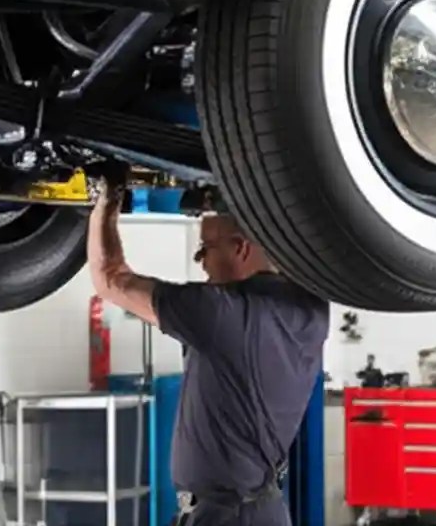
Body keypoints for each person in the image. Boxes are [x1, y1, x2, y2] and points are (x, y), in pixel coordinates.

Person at [86, 182, 329, 526]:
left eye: (204, 251)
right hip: (244, 511)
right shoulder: (312, 311)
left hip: (231, 516)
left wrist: (106, 196)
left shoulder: (224, 316)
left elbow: (109, 276)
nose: (202, 265)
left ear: (241, 249)